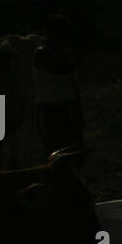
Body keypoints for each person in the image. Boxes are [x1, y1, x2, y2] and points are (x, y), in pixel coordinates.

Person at [32, 14, 84, 155]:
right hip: (51, 106)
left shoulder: (61, 52)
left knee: (69, 148)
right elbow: (63, 70)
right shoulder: (42, 53)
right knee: (56, 150)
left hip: (62, 103)